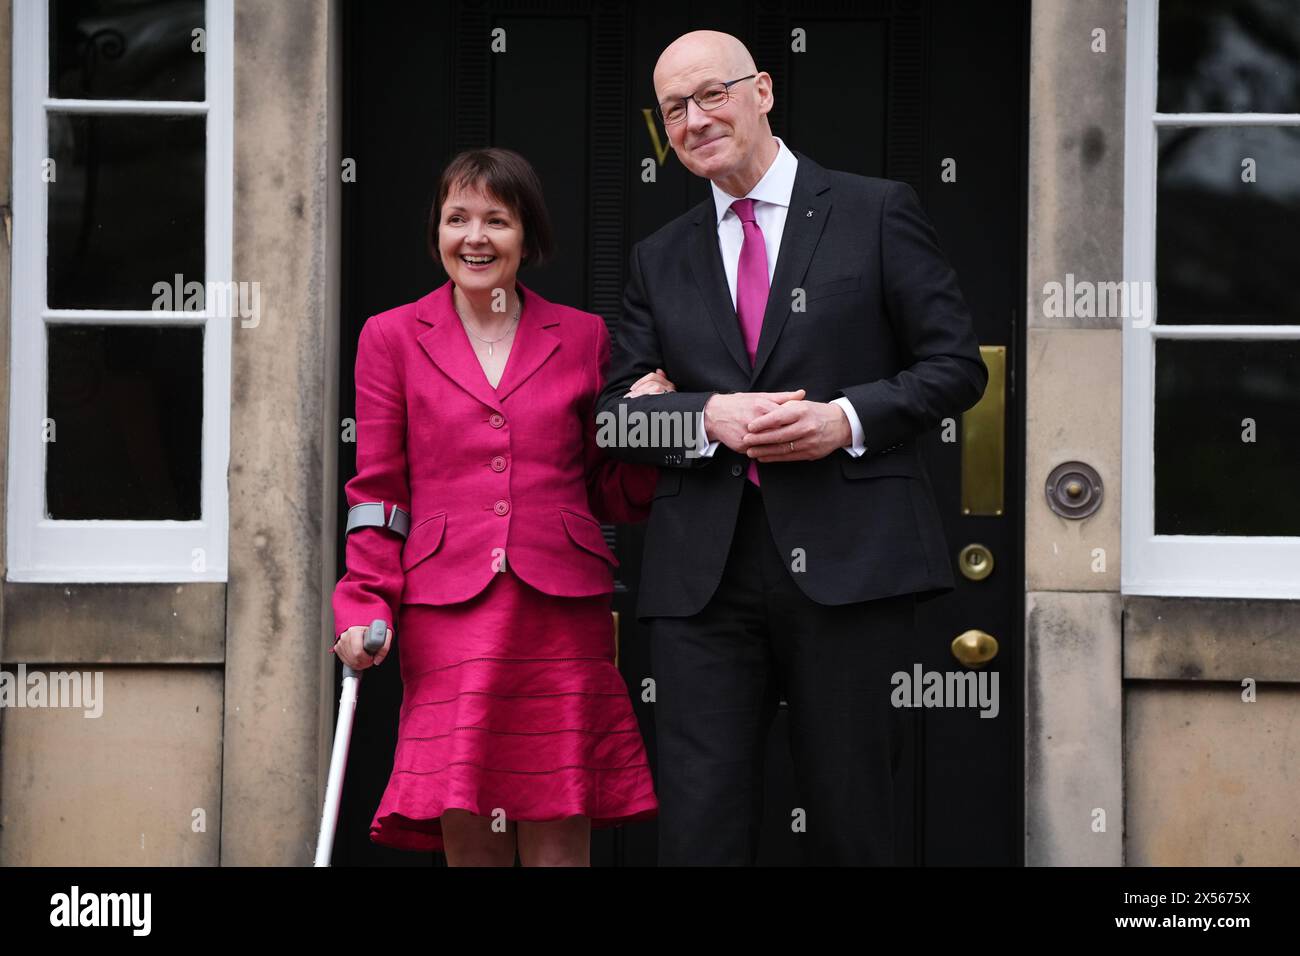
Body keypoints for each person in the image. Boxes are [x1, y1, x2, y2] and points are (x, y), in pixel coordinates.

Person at [595, 31, 989, 865]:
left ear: (763, 90)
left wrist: (842, 420)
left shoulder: (877, 209)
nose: (695, 120)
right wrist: (707, 418)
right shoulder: (657, 259)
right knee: (700, 833)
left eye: (711, 94)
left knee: (856, 823)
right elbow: (616, 421)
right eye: (673, 110)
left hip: (852, 569)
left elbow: (955, 366)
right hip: (705, 582)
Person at [331, 147, 664, 866]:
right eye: (457, 218)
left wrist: (649, 429)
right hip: (446, 611)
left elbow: (610, 488)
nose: (474, 237)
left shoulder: (584, 338)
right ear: (437, 233)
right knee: (469, 817)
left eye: (496, 220)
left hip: (561, 612)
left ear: (527, 235)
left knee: (557, 816)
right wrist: (363, 603)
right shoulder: (389, 338)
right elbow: (378, 493)